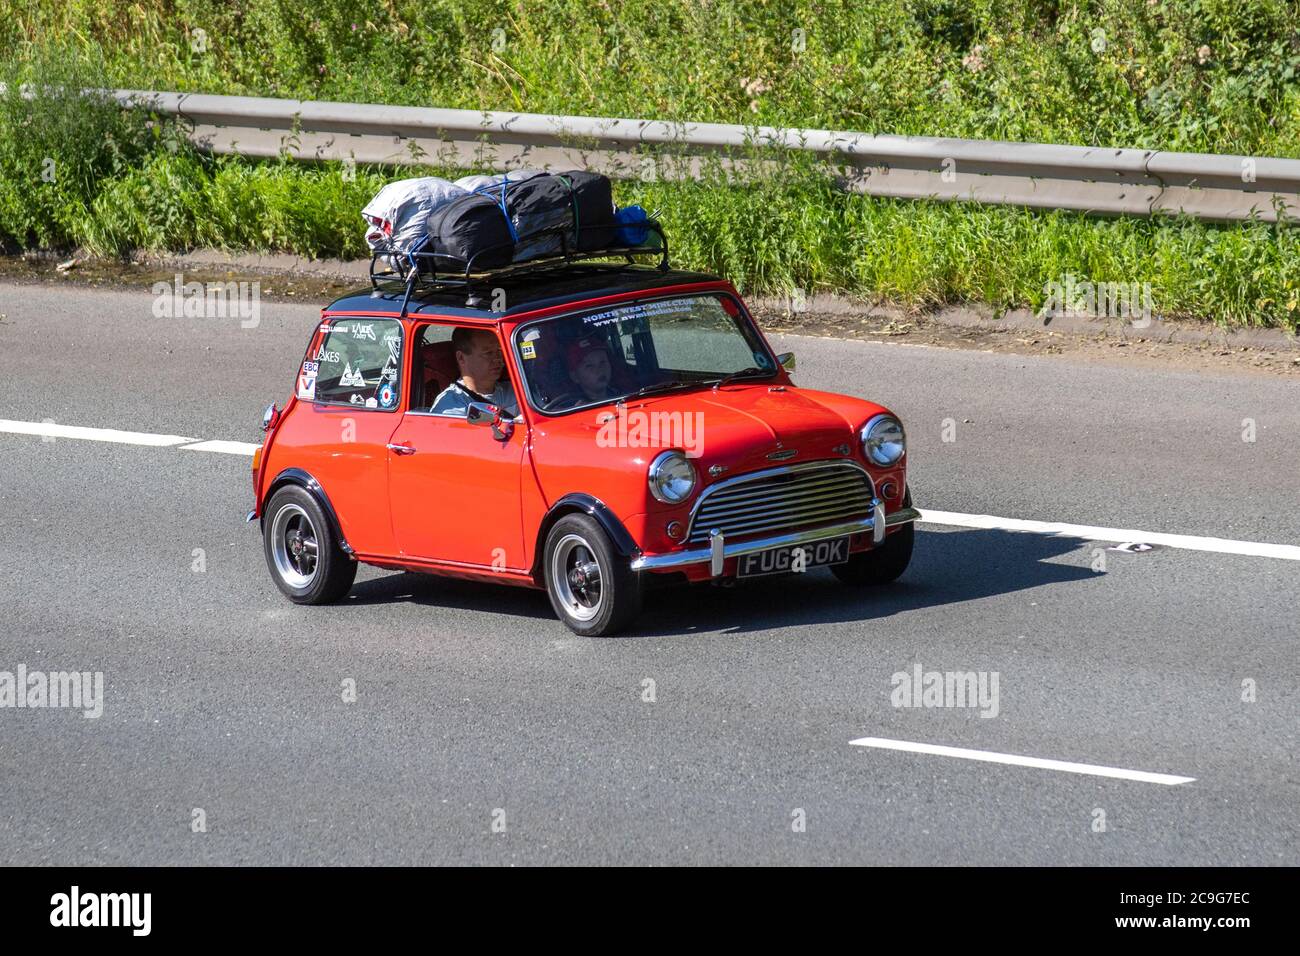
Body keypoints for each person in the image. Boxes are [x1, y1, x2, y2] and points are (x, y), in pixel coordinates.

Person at [430, 327, 519, 417]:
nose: (498, 359)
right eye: (488, 353)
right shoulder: (451, 406)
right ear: (461, 358)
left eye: (499, 351)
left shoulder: (517, 391)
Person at [558, 338, 622, 407]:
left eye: (603, 362)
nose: (599, 369)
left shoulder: (623, 396)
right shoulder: (567, 409)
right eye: (589, 366)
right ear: (575, 377)